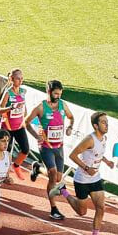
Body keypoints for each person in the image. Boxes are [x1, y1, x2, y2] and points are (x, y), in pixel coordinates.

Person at [56, 112, 116, 235]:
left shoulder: (104, 138)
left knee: (101, 208)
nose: (106, 125)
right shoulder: (90, 139)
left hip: (95, 178)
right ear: (95, 125)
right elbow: (73, 155)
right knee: (82, 212)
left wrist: (107, 162)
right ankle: (63, 190)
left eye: (107, 122)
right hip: (82, 180)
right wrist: (86, 168)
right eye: (103, 122)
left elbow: (98, 153)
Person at [27, 81, 73, 220]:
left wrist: (70, 127)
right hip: (46, 146)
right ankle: (53, 208)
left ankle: (37, 168)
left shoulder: (62, 105)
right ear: (48, 92)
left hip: (59, 146)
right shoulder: (41, 107)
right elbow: (26, 122)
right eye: (55, 94)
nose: (58, 96)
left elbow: (71, 117)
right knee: (53, 175)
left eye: (60, 93)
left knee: (58, 178)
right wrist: (37, 136)